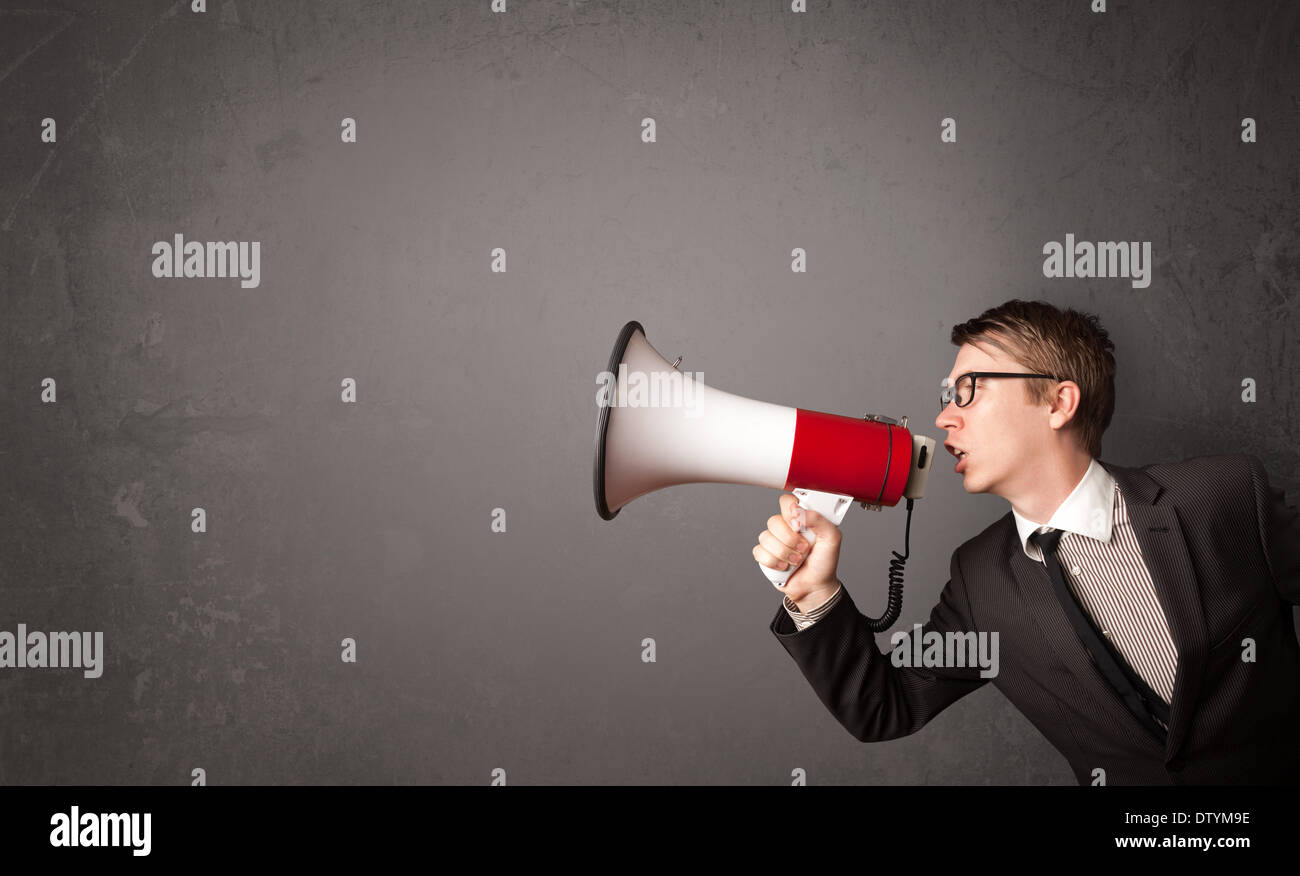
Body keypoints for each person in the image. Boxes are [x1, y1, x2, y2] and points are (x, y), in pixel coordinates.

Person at [754, 299, 1300, 784]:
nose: (944, 417)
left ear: (1059, 403)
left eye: (968, 390)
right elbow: (886, 709)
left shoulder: (1222, 496)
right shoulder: (980, 579)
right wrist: (814, 592)